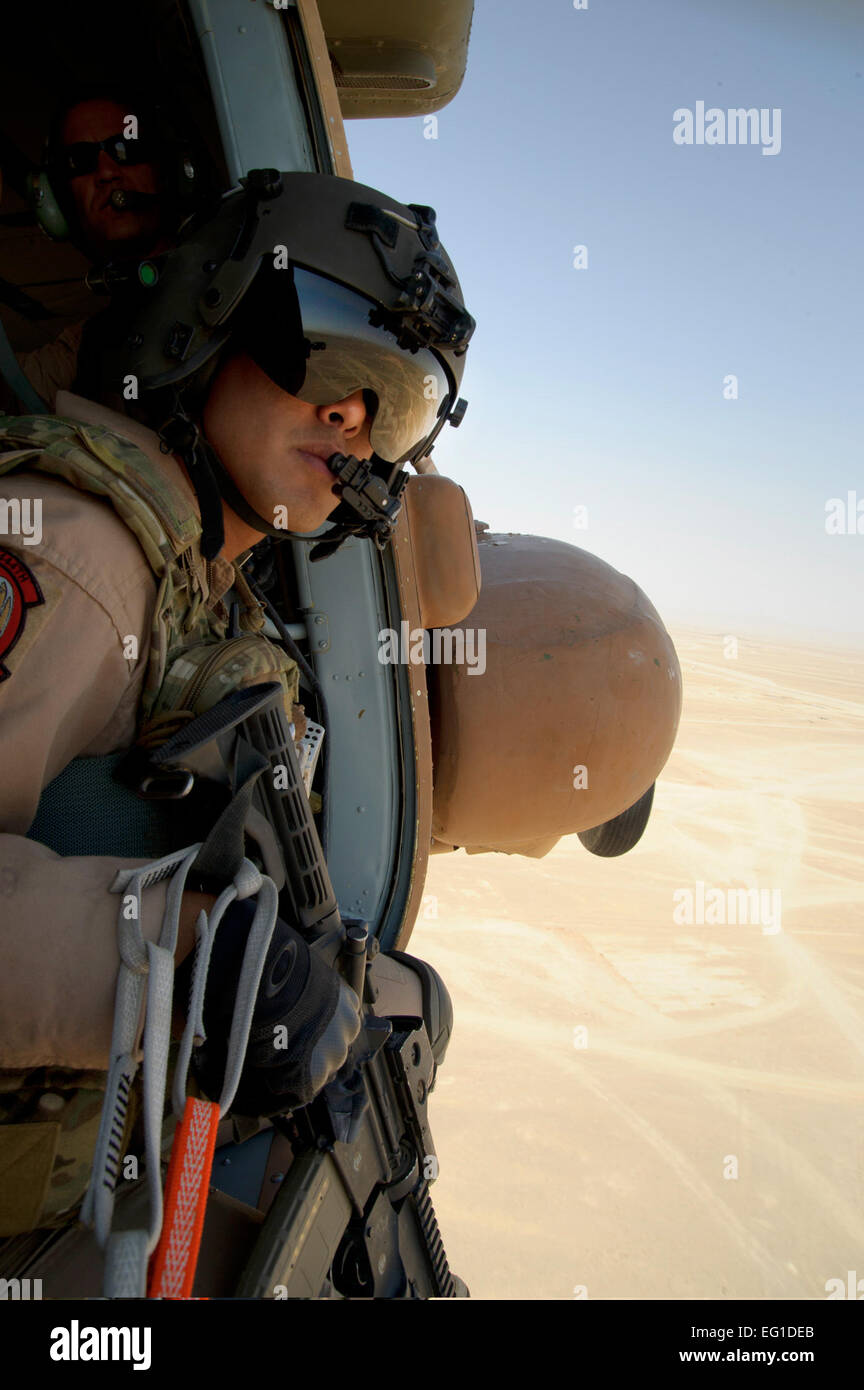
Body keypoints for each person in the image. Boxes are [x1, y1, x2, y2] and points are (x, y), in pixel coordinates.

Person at [0, 168, 473, 1245]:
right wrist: (192, 956)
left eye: (396, 406)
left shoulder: (204, 591)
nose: (354, 413)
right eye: (330, 345)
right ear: (205, 319)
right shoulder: (79, 557)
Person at [4, 86, 204, 412]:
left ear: (168, 172)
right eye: (79, 161)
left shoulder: (234, 278)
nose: (107, 172)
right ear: (60, 203)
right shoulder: (85, 345)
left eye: (126, 148)